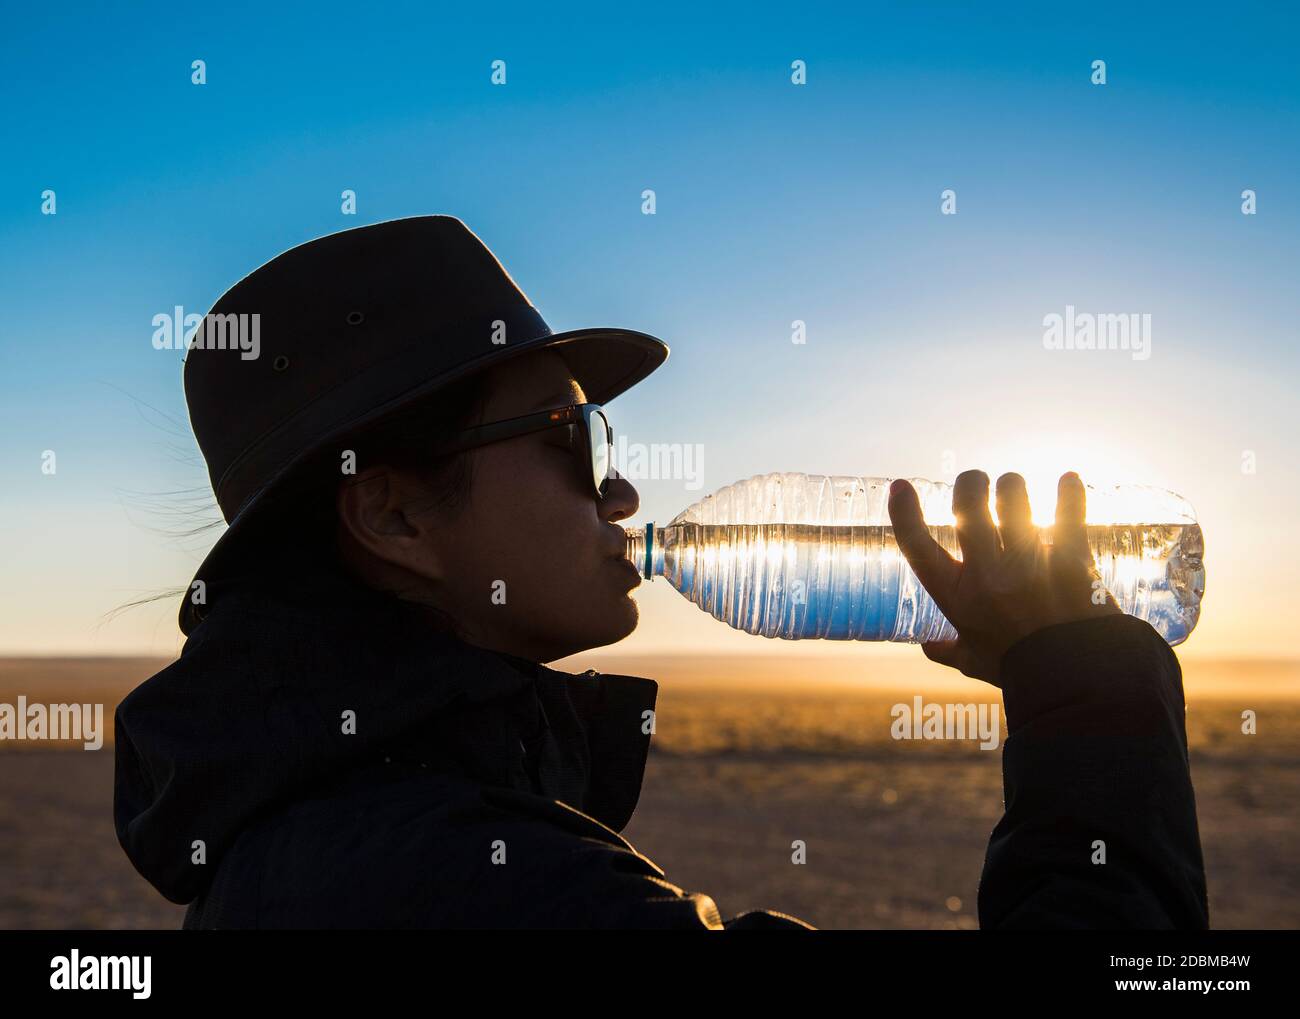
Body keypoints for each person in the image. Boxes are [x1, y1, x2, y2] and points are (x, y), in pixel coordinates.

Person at [113, 216, 1209, 929]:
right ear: (395, 513)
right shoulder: (481, 887)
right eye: (571, 440)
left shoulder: (333, 835)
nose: (622, 495)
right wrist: (1083, 691)